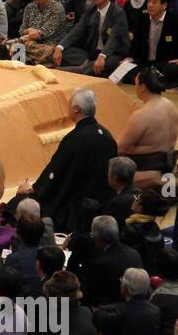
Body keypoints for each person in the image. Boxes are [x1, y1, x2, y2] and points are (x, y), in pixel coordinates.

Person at [18, 88, 118, 234]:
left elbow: (56, 172)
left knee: (20, 203)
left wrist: (34, 189)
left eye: (70, 103)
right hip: (103, 202)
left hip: (76, 206)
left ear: (76, 109)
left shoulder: (75, 138)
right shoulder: (107, 135)